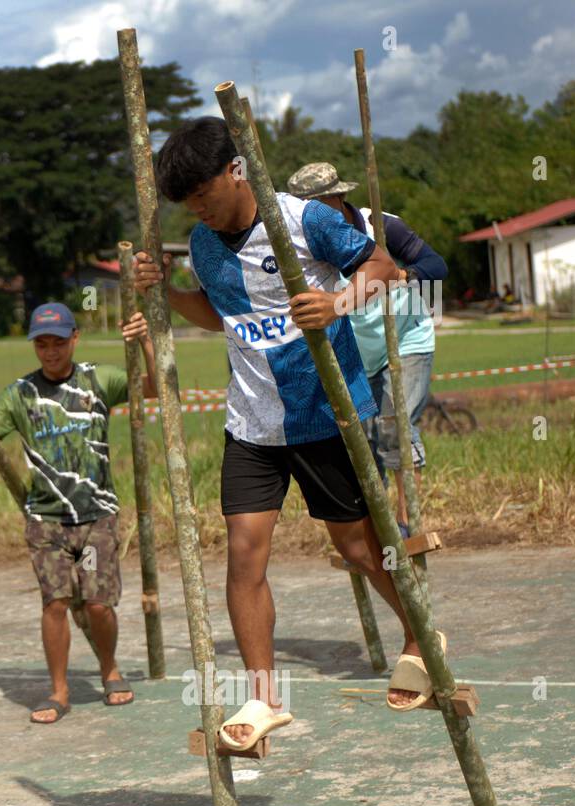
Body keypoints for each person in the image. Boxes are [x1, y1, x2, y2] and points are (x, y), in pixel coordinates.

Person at [133, 118, 438, 748]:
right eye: (187, 204)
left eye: (204, 195)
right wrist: (164, 290)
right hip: (251, 423)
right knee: (244, 551)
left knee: (359, 549)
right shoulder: (203, 244)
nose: (198, 210)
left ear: (235, 171)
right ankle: (265, 697)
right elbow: (220, 315)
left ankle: (420, 637)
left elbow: (386, 268)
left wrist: (337, 305)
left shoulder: (305, 221)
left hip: (328, 414)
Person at [0, 303, 153, 724]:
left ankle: (110, 670)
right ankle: (59, 691)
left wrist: (146, 342)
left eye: (58, 342)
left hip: (96, 515)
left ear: (74, 339)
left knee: (98, 603)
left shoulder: (98, 380)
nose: (50, 351)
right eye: (42, 344)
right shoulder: (18, 395)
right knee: (56, 603)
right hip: (46, 521)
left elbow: (154, 387)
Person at [286, 161, 446, 534]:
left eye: (316, 206)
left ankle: (410, 524)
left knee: (394, 426)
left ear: (339, 198)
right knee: (362, 440)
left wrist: (400, 276)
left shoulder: (382, 226)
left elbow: (435, 265)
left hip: (405, 340)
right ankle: (383, 527)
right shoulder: (299, 242)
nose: (307, 216)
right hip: (355, 351)